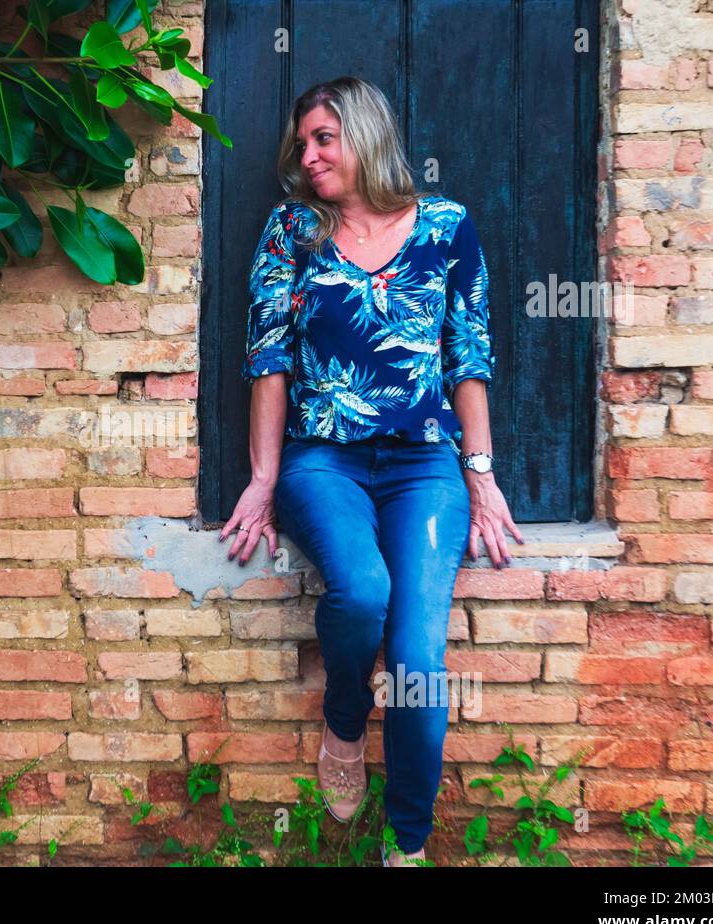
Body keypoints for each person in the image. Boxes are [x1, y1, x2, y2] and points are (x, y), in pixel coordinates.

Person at [219, 75, 523, 867]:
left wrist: (481, 475)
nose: (309, 154)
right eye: (303, 142)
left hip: (426, 466)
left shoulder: (447, 227)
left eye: (326, 137)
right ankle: (346, 716)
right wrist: (261, 477)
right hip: (324, 461)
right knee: (364, 593)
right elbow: (268, 359)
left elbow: (469, 357)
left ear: (366, 135)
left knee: (421, 661)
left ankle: (408, 847)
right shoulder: (292, 231)